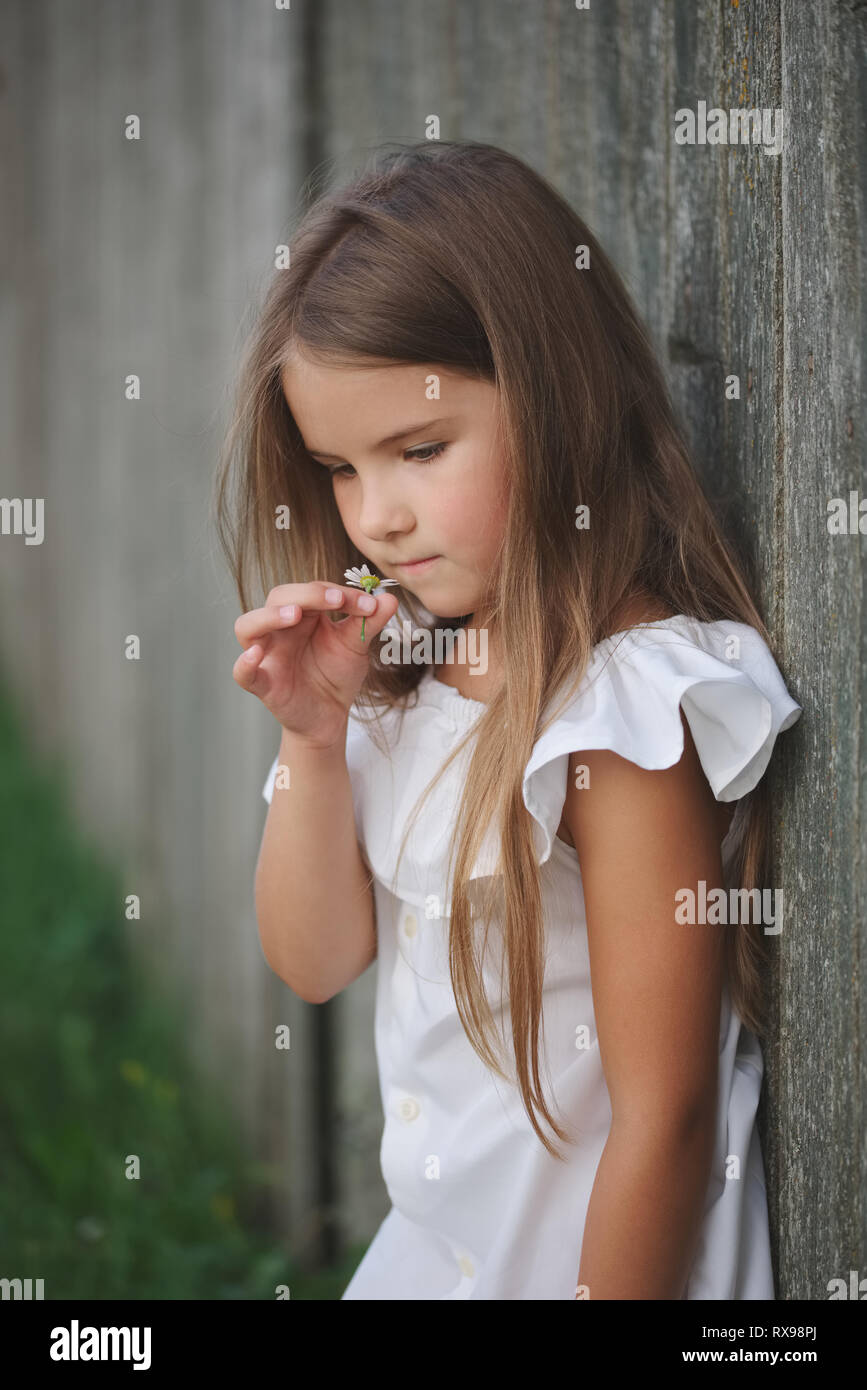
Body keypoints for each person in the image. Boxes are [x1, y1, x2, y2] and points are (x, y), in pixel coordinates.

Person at [216, 139, 803, 1300]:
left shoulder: (619, 718)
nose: (376, 515)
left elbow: (667, 1116)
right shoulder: (411, 671)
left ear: (553, 390)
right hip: (437, 1258)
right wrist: (310, 740)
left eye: (421, 451)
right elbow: (317, 958)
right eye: (339, 467)